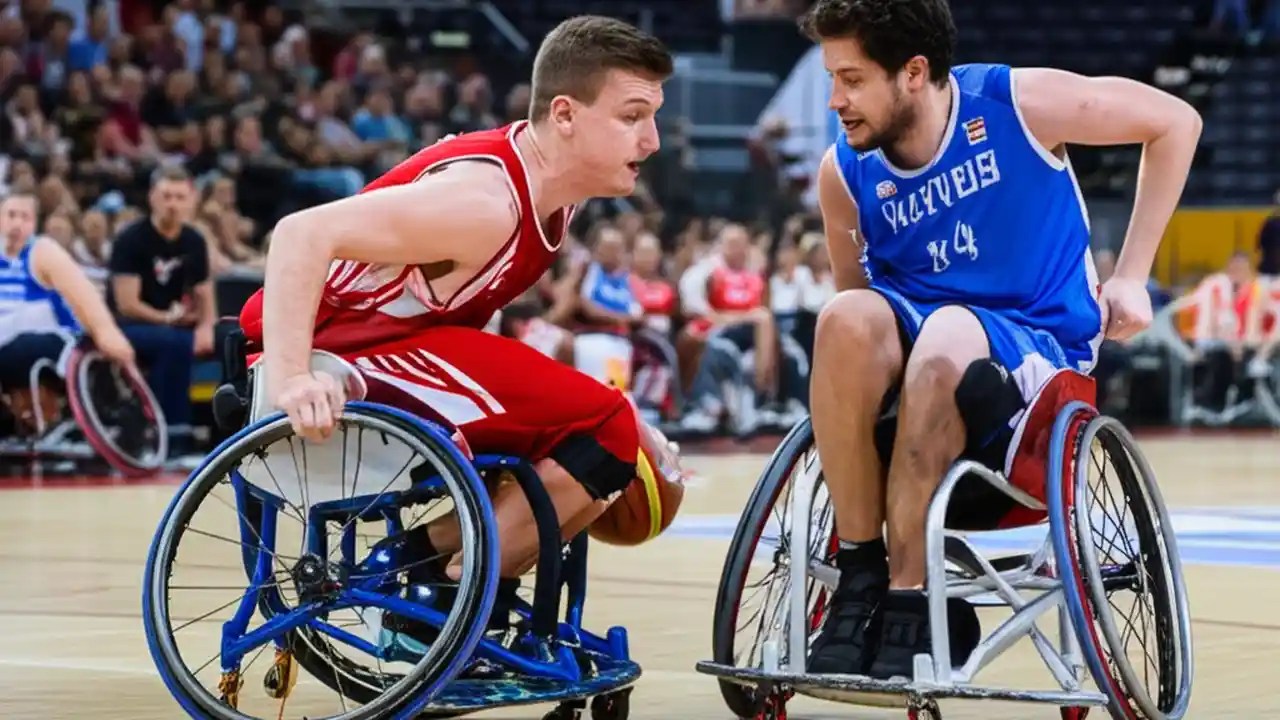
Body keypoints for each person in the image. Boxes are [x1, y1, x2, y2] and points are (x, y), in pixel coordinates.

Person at [799, 0, 1202, 679]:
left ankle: (909, 597)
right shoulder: (844, 173)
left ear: (913, 72)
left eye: (852, 78)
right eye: (832, 78)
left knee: (950, 327)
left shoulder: (1017, 103)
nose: (836, 100)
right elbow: (863, 321)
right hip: (925, 375)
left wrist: (1133, 274)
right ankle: (862, 571)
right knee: (843, 319)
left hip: (1039, 358)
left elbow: (1174, 121)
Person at [237, 15, 683, 627]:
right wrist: (291, 376)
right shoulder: (484, 204)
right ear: (565, 115)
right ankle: (434, 579)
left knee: (597, 428)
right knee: (605, 425)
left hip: (394, 347)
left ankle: (445, 569)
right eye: (633, 117)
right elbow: (299, 233)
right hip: (331, 354)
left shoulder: (555, 190)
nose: (652, 140)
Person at [0, 192, 135, 433]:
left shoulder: (42, 251)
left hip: (53, 339)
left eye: (25, 217)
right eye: (11, 216)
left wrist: (106, 331)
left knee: (19, 346)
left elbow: (82, 292)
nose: (17, 223)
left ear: (34, 223)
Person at [108, 166, 216, 459]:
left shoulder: (194, 240)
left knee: (232, 338)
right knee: (174, 342)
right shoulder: (131, 239)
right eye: (167, 196)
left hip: (175, 323)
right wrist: (169, 319)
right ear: (152, 197)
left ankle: (227, 434)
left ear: (191, 200)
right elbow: (126, 303)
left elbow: (205, 292)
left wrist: (206, 327)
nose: (173, 204)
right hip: (129, 325)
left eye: (180, 197)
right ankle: (172, 432)